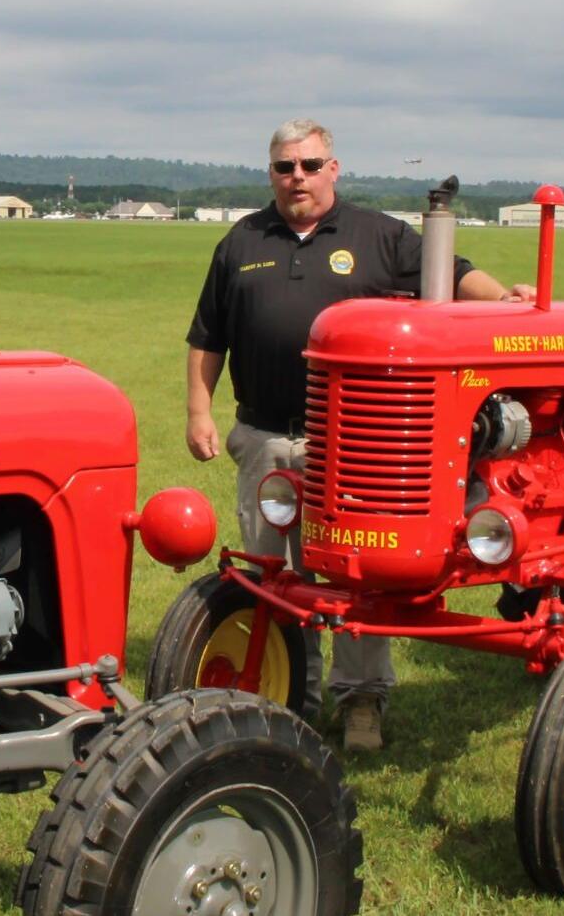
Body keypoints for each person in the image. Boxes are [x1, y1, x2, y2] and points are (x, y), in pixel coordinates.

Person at [185, 118, 533, 751]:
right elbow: (208, 336)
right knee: (277, 577)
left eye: (311, 165)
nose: (298, 178)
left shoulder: (376, 235)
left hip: (348, 446)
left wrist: (500, 298)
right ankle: (287, 696)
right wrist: (198, 411)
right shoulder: (242, 241)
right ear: (271, 173)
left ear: (333, 169)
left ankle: (361, 702)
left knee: (355, 573)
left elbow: (451, 270)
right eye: (286, 167)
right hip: (265, 439)